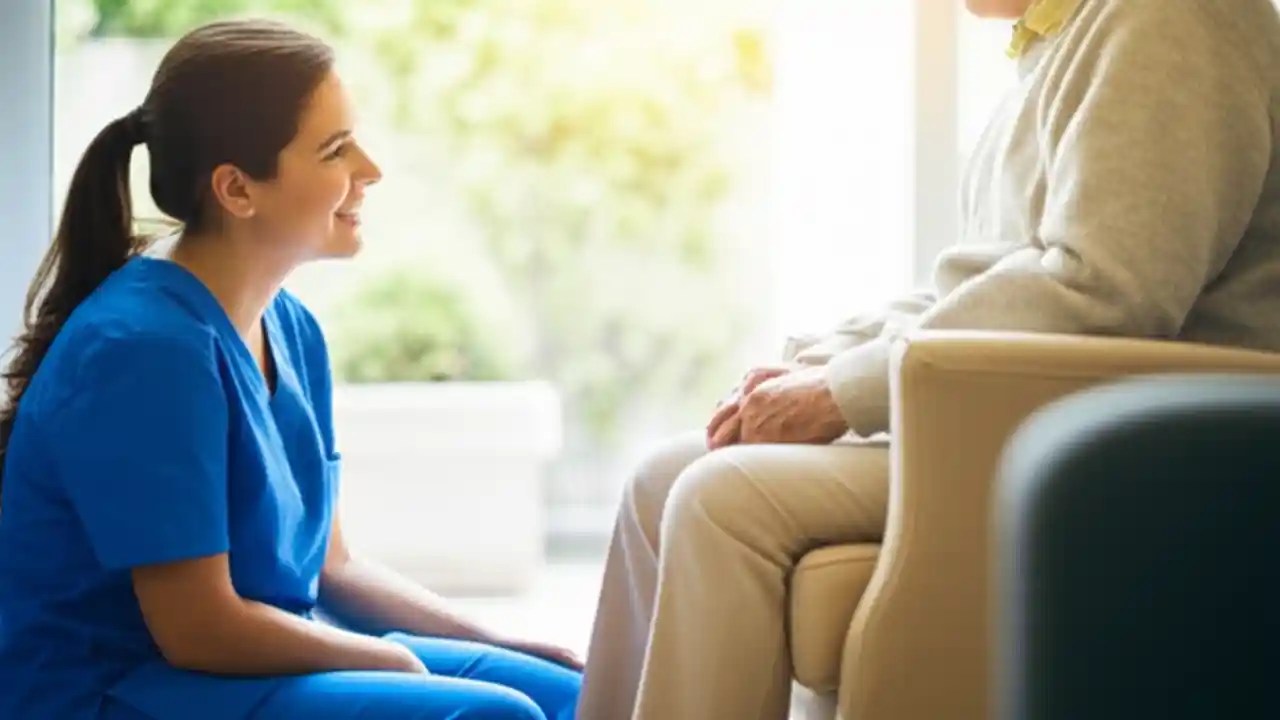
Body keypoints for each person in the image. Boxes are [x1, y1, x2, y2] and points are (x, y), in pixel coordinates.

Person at [575, 0, 1280, 718]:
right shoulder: (1068, 36)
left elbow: (1103, 290)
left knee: (721, 500)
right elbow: (982, 282)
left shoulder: (1173, 18)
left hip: (1125, 441)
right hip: (1007, 410)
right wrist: (826, 361)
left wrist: (843, 393)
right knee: (661, 477)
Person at [0, 20, 580, 720]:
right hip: (123, 689)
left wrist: (497, 640)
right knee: (495, 716)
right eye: (336, 149)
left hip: (238, 666)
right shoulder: (143, 352)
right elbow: (196, 629)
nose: (370, 169)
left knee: (577, 694)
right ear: (237, 189)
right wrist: (390, 660)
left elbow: (333, 568)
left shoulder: (292, 327)